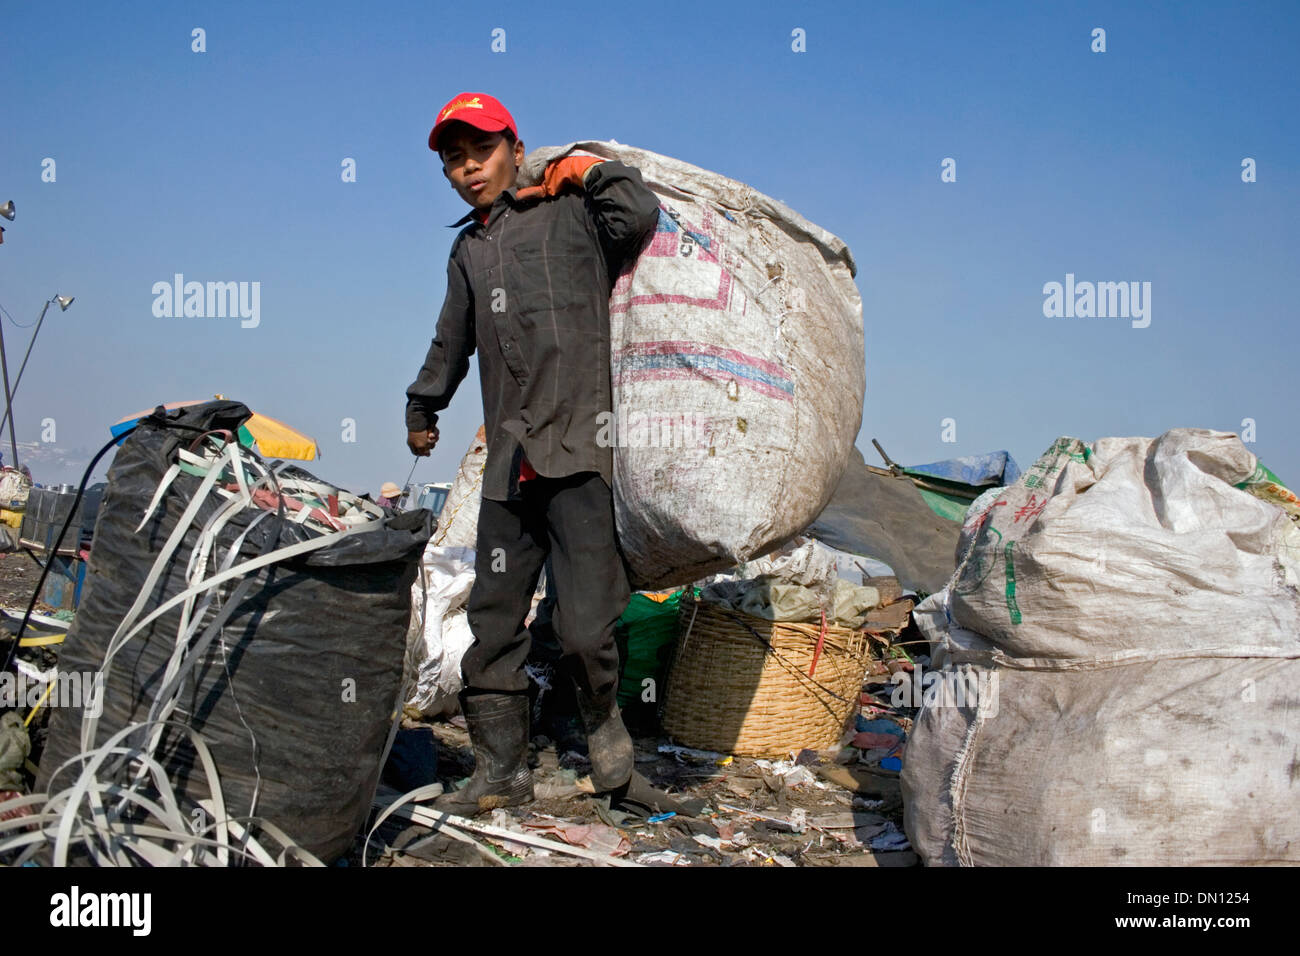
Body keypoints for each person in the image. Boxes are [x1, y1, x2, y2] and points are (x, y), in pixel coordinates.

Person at [405, 92, 660, 816]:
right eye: (454, 160)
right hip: (508, 472)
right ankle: (500, 772)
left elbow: (638, 215)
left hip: (580, 456)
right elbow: (450, 338)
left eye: (479, 151)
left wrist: (585, 167)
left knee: (584, 631)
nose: (466, 169)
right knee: (492, 624)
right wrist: (423, 403)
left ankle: (612, 763)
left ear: (515, 149)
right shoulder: (470, 249)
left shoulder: (573, 215)